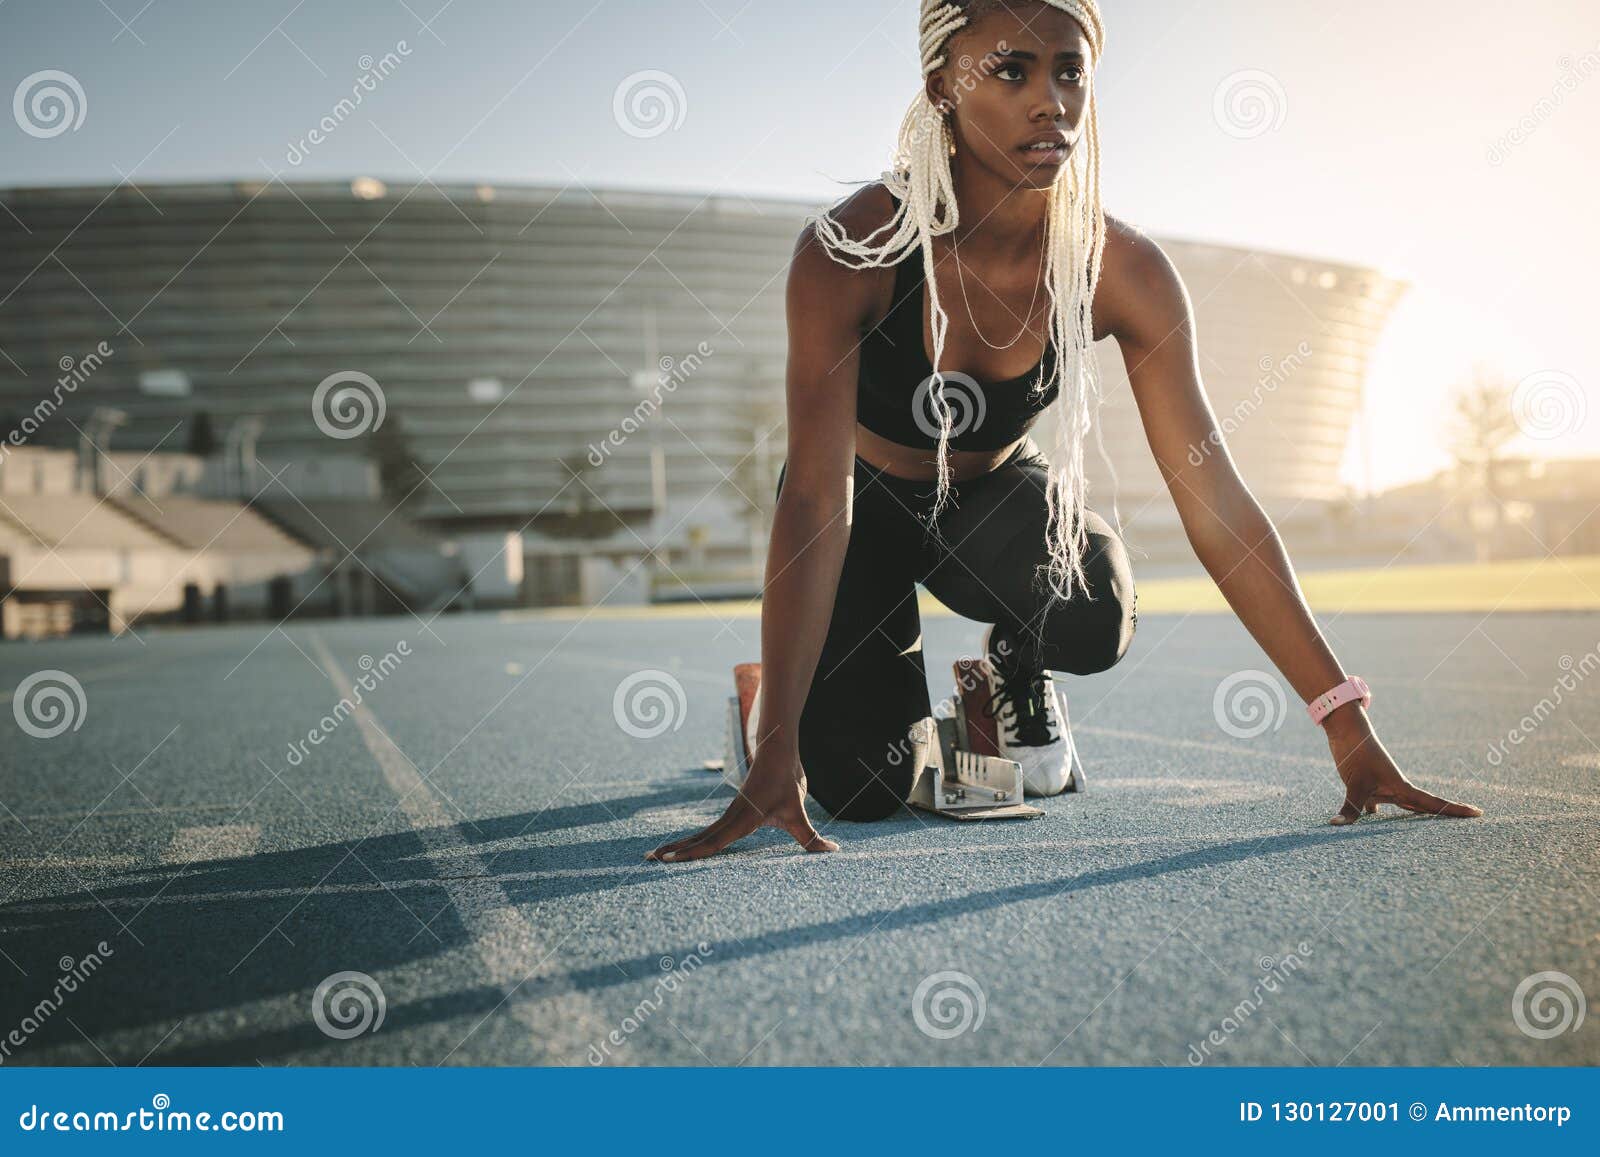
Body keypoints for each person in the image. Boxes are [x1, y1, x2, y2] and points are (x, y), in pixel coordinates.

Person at [647, 0, 1480, 864]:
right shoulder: (850, 251)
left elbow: (1216, 503)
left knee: (1093, 608)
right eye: (1012, 70)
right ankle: (766, 708)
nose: (1051, 100)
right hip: (862, 504)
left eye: (1069, 71)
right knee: (860, 787)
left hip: (987, 498)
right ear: (942, 87)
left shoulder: (1122, 269)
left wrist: (1344, 720)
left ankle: (1007, 674)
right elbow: (818, 499)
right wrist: (778, 748)